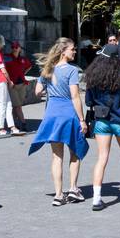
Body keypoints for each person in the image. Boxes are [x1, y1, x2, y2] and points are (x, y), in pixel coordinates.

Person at [29, 37, 90, 205]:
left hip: (51, 115)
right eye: (73, 49)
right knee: (75, 152)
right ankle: (73, 189)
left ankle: (58, 195)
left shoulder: (48, 70)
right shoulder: (71, 71)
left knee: (57, 156)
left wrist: (48, 84)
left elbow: (37, 92)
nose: (75, 51)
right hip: (68, 115)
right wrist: (82, 120)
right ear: (63, 51)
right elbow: (75, 96)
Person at [83, 44, 120, 210]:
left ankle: (97, 198)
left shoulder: (94, 76)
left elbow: (88, 101)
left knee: (101, 158)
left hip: (101, 121)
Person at [4, 40, 32, 131]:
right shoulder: (7, 58)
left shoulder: (23, 59)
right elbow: (2, 68)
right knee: (18, 106)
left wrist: (23, 73)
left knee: (17, 106)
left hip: (22, 85)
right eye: (13, 47)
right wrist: (8, 80)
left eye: (17, 47)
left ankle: (13, 124)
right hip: (13, 85)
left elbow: (29, 66)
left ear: (20, 48)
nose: (15, 49)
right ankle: (23, 123)